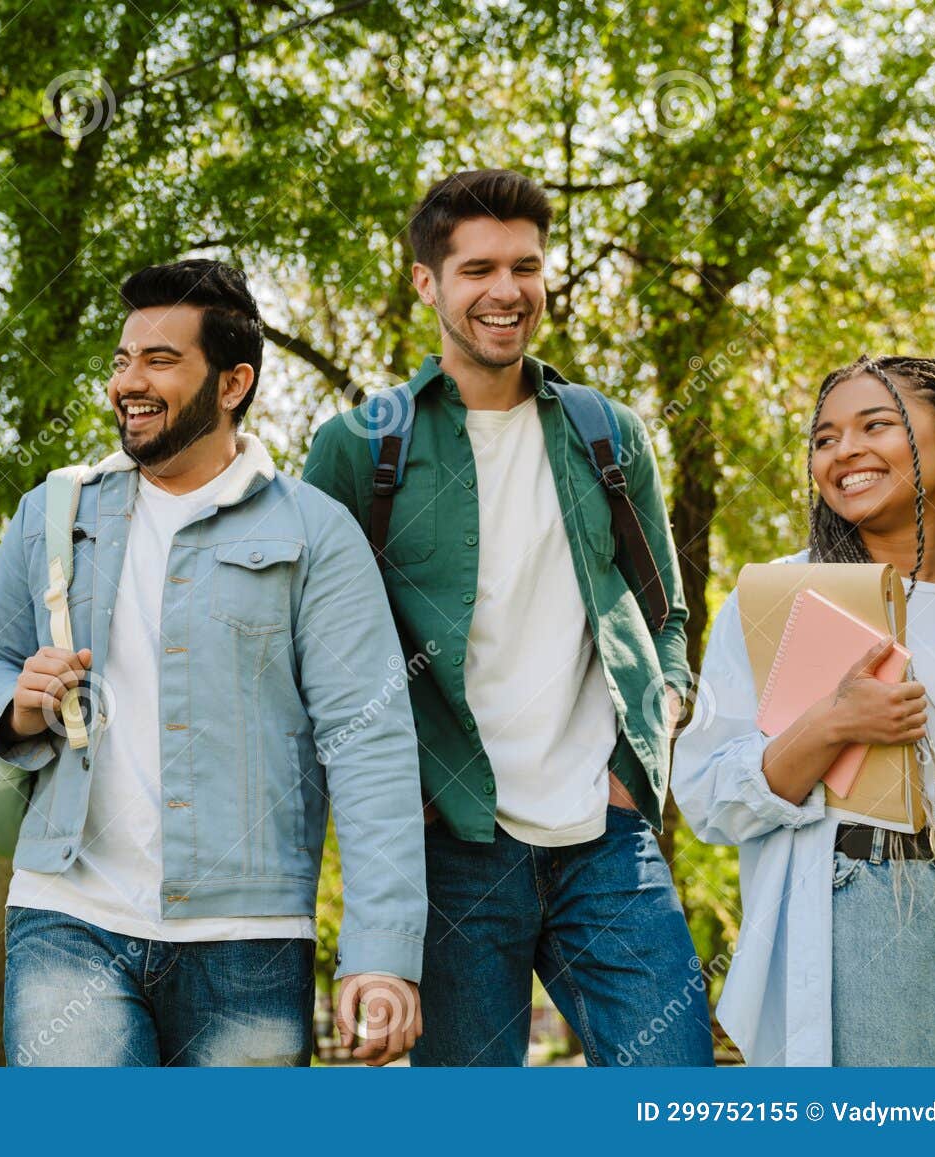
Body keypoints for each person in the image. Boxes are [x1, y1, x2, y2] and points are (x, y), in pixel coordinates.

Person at [0, 259, 426, 1067]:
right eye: (122, 359)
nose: (127, 382)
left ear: (233, 382)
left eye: (159, 360)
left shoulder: (317, 531)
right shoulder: (55, 511)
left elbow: (369, 741)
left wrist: (383, 948)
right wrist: (19, 704)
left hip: (247, 939)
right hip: (67, 917)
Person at [303, 169, 712, 1066]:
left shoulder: (609, 433)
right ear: (427, 283)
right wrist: (391, 797)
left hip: (606, 837)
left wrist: (652, 732)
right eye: (478, 267)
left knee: (677, 1088)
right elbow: (310, 647)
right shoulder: (360, 446)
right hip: (453, 847)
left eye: (525, 266)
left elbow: (666, 614)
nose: (506, 290)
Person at [674, 354, 935, 1065]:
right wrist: (830, 723)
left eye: (875, 425)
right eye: (825, 437)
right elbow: (707, 797)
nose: (845, 451)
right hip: (875, 922)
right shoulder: (778, 600)